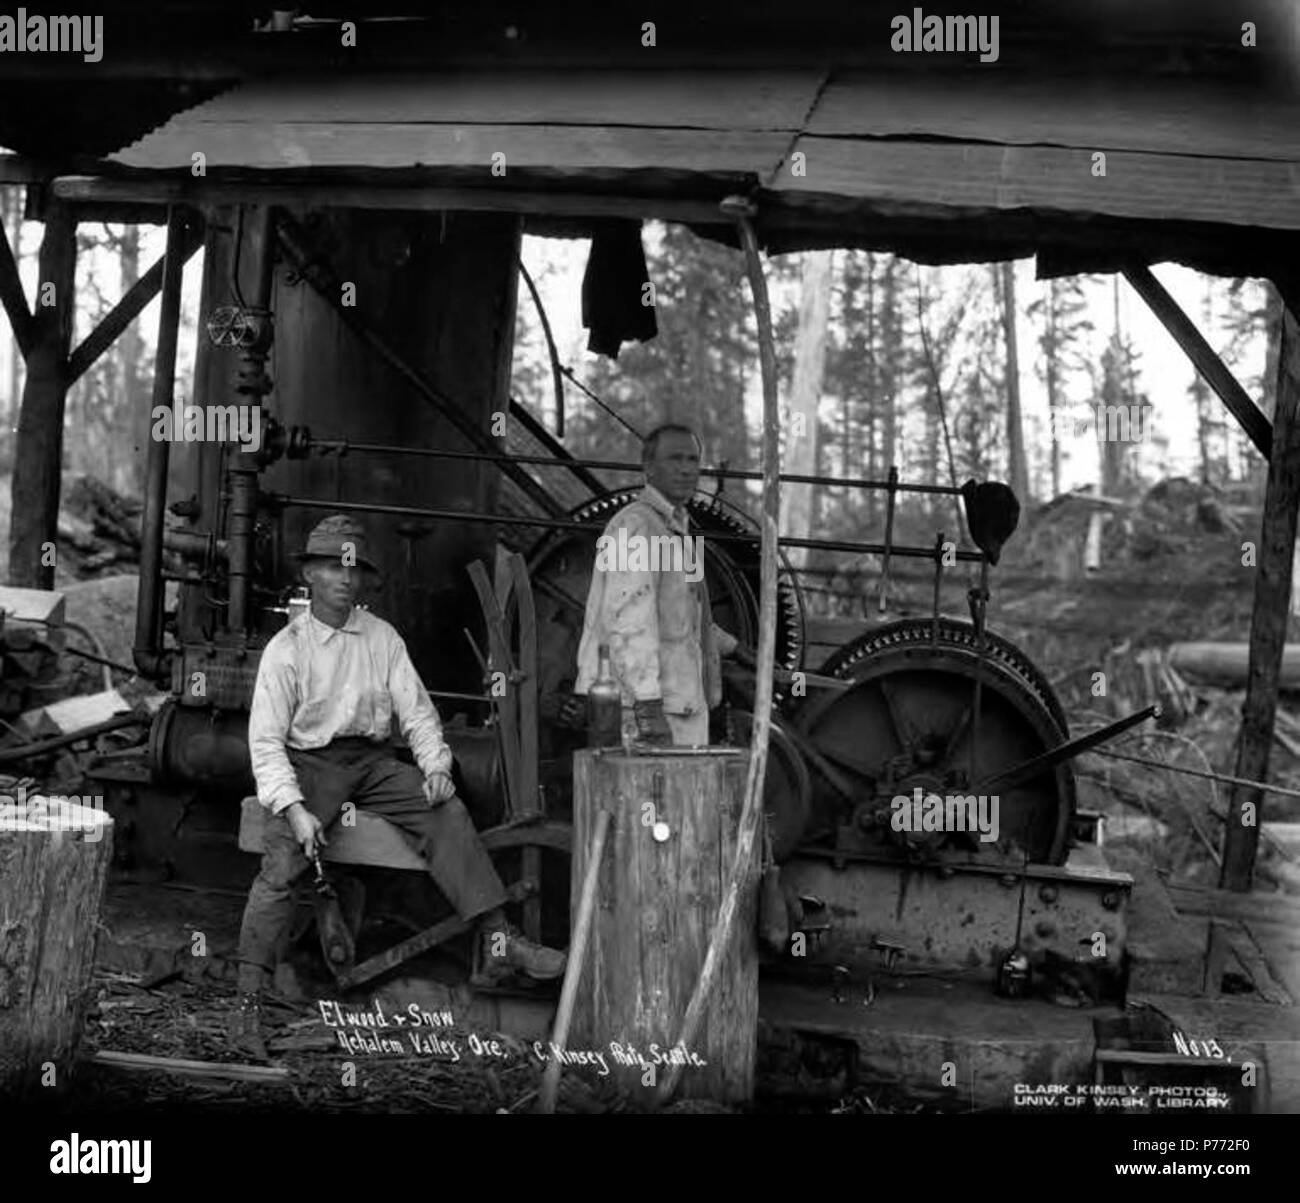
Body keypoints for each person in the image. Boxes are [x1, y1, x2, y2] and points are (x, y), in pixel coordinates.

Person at [230, 515, 565, 1061]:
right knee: (282, 866)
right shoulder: (285, 649)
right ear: (310, 575)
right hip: (309, 765)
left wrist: (435, 767)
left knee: (446, 813)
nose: (345, 578)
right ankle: (246, 1007)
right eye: (332, 567)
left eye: (353, 569)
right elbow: (265, 744)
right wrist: (294, 809)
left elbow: (418, 713)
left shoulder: (381, 638)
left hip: (373, 762)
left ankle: (500, 941)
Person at [574, 423, 738, 746]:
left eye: (692, 460)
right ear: (648, 467)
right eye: (675, 458)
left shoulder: (681, 533)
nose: (686, 469)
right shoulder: (635, 526)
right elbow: (628, 622)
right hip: (643, 710)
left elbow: (692, 617)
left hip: (680, 705)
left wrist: (738, 650)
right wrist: (647, 708)